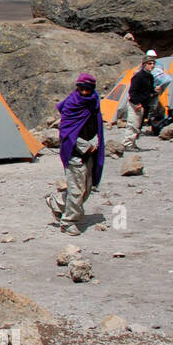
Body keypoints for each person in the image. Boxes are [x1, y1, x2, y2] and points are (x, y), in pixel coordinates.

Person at [46, 74, 105, 236]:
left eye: (88, 89)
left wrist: (96, 144)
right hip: (74, 152)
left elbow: (97, 124)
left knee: (85, 190)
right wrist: (85, 146)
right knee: (77, 190)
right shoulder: (72, 104)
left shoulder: (94, 102)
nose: (84, 92)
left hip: (91, 150)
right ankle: (68, 222)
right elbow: (66, 131)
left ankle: (56, 202)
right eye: (81, 89)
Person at [121, 54, 157, 150]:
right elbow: (132, 92)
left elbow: (149, 90)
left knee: (138, 125)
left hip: (144, 104)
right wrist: (136, 103)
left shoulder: (150, 77)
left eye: (153, 64)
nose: (152, 66)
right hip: (135, 104)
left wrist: (155, 91)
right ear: (144, 64)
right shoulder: (138, 76)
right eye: (149, 63)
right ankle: (127, 144)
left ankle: (132, 143)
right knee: (133, 123)